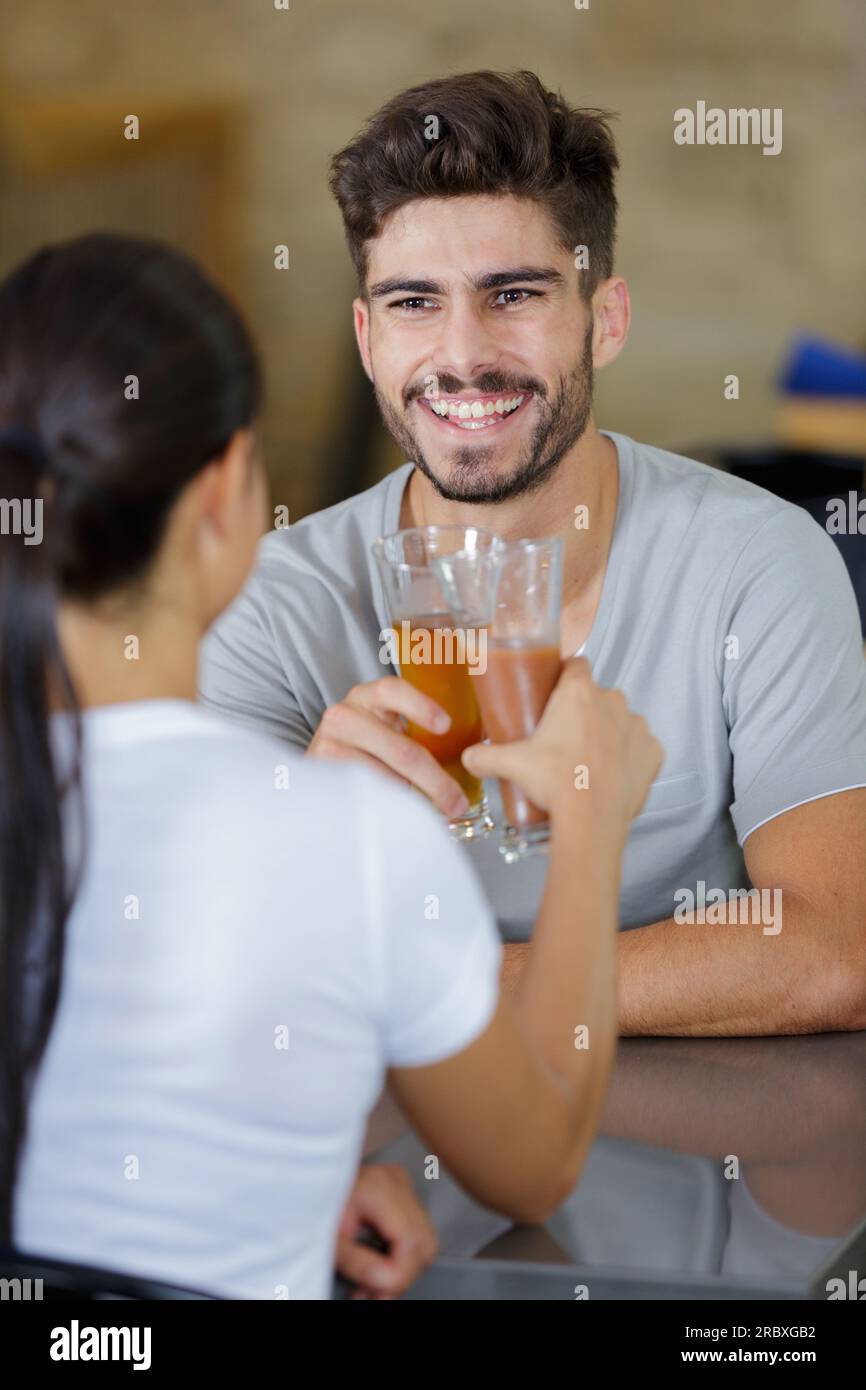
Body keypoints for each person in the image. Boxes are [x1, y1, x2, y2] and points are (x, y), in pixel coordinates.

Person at [1, 233, 661, 1300]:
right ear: (224, 494)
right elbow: (532, 1166)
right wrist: (585, 822)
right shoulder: (345, 835)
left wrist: (300, 1180)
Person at [200, 69, 866, 1038]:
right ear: (364, 336)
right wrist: (303, 841)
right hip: (396, 1170)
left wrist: (433, 988)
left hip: (696, 1158)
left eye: (510, 294)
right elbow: (201, 968)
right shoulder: (265, 605)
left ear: (604, 320)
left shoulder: (757, 561)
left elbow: (834, 950)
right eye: (412, 303)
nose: (462, 354)